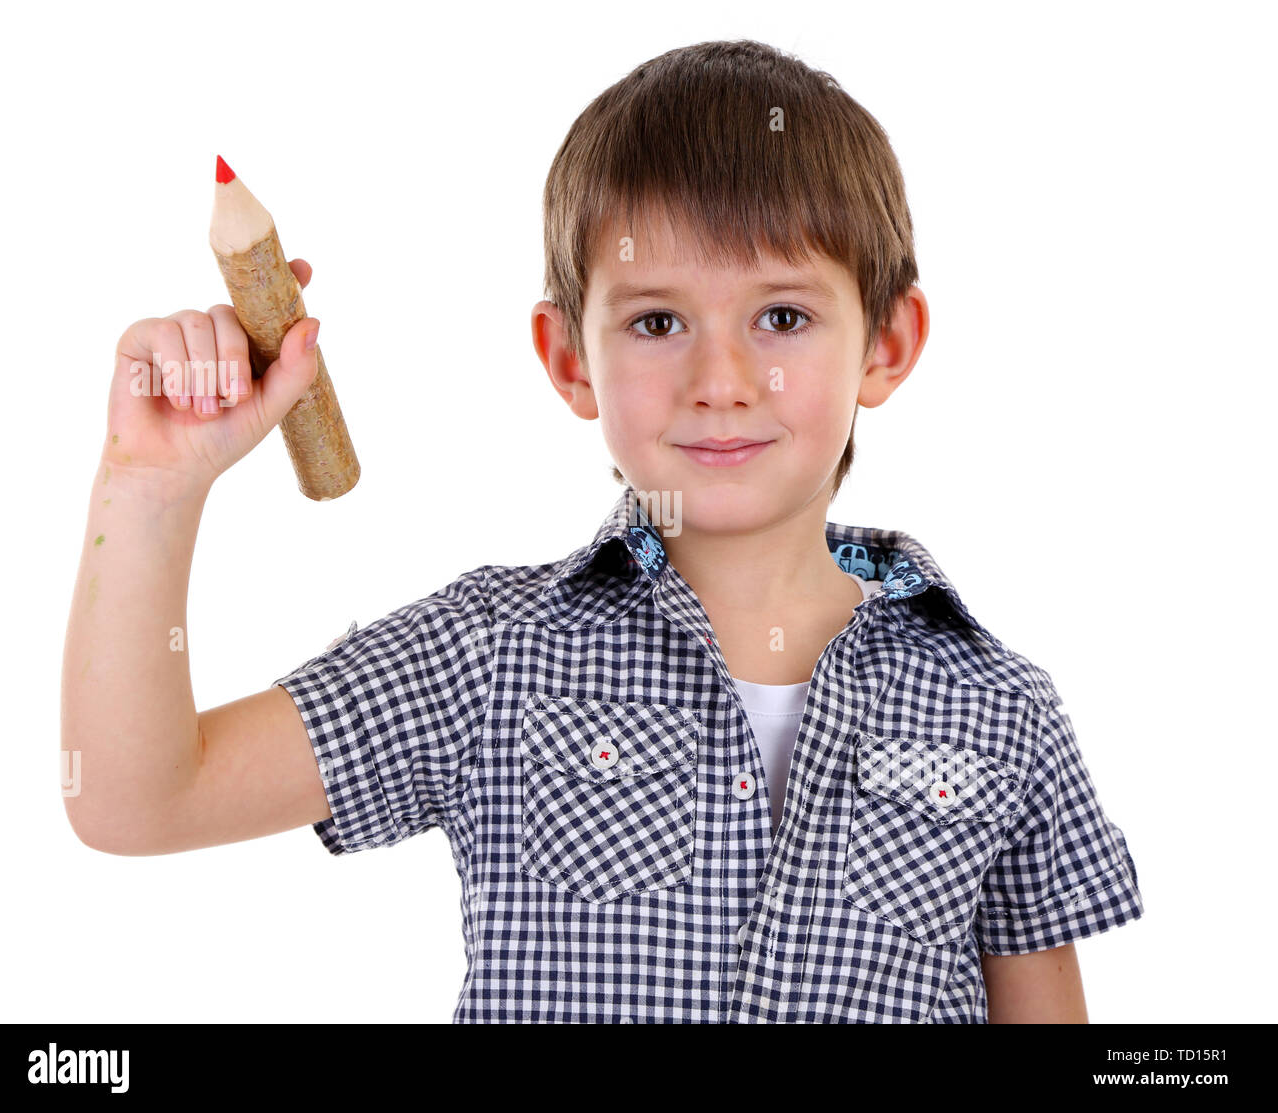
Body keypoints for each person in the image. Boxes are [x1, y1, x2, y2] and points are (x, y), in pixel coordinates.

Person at [62, 38, 1142, 1023]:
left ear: (887, 343)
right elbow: (133, 798)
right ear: (569, 358)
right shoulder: (489, 654)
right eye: (657, 322)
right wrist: (150, 489)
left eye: (781, 316)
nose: (722, 382)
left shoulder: (1002, 711)